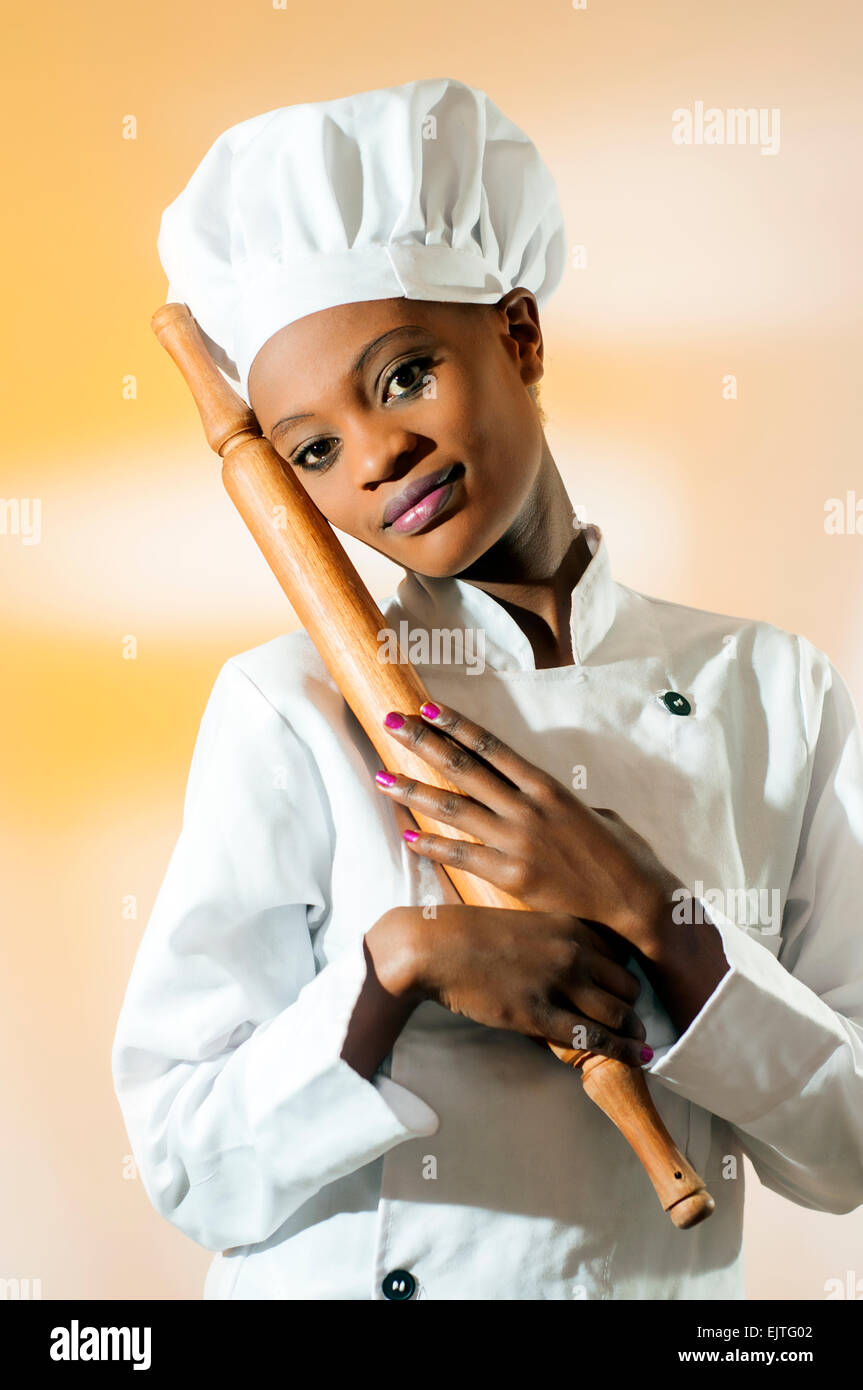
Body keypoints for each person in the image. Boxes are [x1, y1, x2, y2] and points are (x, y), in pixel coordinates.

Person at [111, 76, 863, 1301]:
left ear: (517, 334)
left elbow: (845, 1150)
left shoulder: (768, 689)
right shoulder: (287, 704)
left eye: (403, 376)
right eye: (310, 449)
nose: (376, 457)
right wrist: (401, 964)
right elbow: (189, 1164)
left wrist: (650, 911)